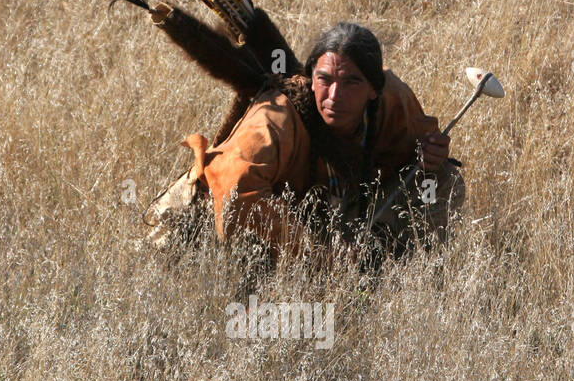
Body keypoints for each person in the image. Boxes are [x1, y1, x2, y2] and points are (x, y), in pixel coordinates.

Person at [170, 22, 464, 266]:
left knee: (443, 180)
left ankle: (384, 262)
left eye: (351, 82)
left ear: (374, 89)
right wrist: (319, 255)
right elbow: (236, 194)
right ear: (310, 79)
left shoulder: (392, 98)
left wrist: (431, 156)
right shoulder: (274, 121)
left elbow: (419, 145)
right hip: (214, 225)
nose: (334, 96)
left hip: (327, 210)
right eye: (324, 80)